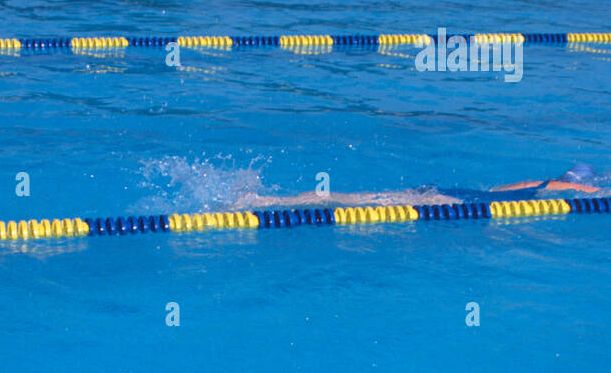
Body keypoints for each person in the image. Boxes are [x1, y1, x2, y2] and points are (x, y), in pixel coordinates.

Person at [248, 163, 601, 209]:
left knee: (355, 198)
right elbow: (596, 196)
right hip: (447, 199)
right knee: (357, 202)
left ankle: (267, 198)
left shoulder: (536, 181)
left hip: (452, 191)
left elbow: (496, 190)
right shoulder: (553, 185)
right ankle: (263, 200)